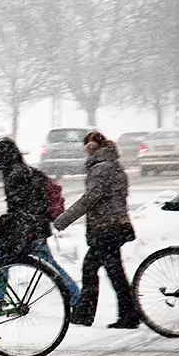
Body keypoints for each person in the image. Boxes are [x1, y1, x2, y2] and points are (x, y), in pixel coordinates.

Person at [53, 131, 139, 329]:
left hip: (105, 228)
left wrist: (63, 220)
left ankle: (88, 314)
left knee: (95, 269)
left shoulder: (100, 169)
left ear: (90, 148)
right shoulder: (114, 165)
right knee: (110, 271)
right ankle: (125, 313)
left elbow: (90, 199)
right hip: (116, 225)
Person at [0, 137, 81, 306]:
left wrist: (7, 227)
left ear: (5, 159)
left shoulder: (15, 175)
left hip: (28, 229)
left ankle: (74, 295)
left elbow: (19, 208)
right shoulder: (26, 171)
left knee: (5, 259)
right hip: (36, 226)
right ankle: (74, 294)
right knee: (46, 264)